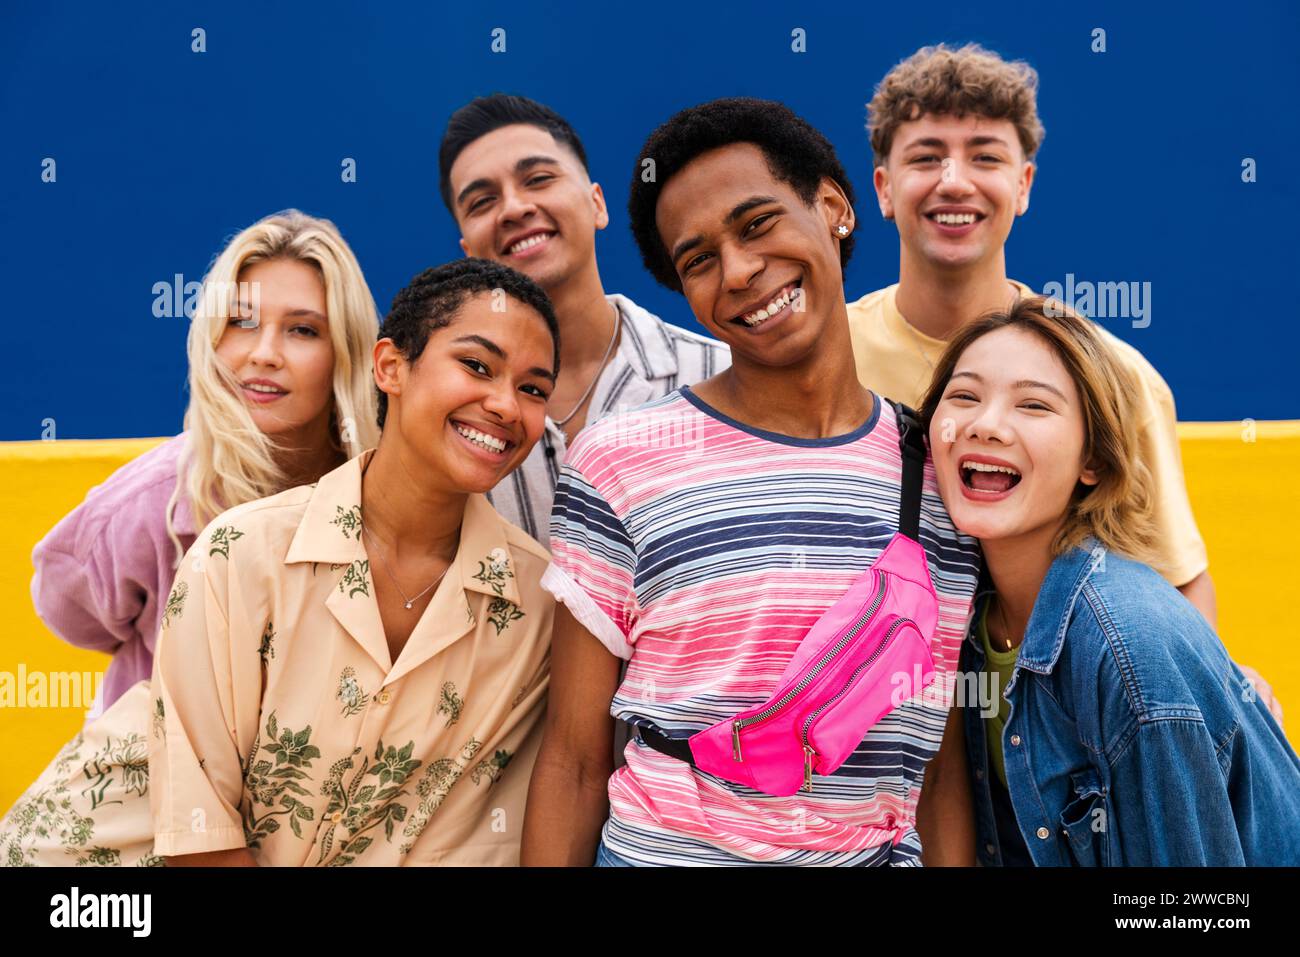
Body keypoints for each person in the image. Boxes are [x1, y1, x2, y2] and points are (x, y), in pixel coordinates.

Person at [522, 97, 981, 866]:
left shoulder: (941, 472)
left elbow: (935, 763)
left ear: (834, 207)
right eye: (698, 259)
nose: (738, 271)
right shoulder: (620, 460)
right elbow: (572, 760)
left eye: (757, 223)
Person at [1, 259, 558, 867]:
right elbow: (201, 839)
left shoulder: (535, 607)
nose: (506, 405)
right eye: (476, 366)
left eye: (533, 388)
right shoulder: (236, 552)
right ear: (390, 367)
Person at [850, 42, 1281, 719]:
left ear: (1023, 185)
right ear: (882, 187)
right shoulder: (827, 359)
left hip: (1062, 759)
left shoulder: (1111, 374)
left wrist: (1204, 713)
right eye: (927, 156)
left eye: (985, 156)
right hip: (880, 747)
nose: (955, 180)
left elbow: (1176, 583)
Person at [919, 295, 1300, 865]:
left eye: (1034, 406)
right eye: (966, 396)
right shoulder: (962, 613)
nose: (987, 424)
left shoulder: (1128, 643)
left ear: (1091, 461)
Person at [30, 210, 380, 718]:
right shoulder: (149, 501)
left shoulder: (382, 488)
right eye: (241, 321)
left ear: (345, 352)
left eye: (302, 330)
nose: (263, 353)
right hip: (159, 781)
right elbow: (68, 604)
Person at [439, 94, 729, 542]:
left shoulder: (723, 375)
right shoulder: (447, 418)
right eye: (481, 202)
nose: (514, 208)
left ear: (597, 203)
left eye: (537, 178)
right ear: (469, 251)